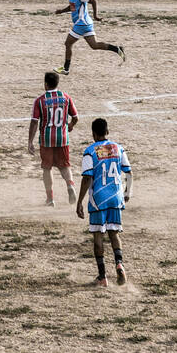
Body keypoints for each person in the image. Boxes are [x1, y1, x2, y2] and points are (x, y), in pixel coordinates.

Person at [76, 118, 132, 287]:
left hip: (98, 199)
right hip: (115, 196)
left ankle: (102, 277)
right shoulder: (118, 148)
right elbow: (129, 172)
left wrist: (79, 202)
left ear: (93, 134)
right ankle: (119, 263)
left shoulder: (90, 152)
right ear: (107, 132)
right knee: (114, 233)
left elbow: (87, 178)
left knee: (98, 235)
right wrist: (127, 192)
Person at [54, 0, 125, 75]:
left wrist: (95, 15)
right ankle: (117, 49)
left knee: (68, 44)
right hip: (87, 24)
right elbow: (72, 7)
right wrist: (61, 11)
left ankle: (66, 69)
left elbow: (93, 1)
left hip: (81, 24)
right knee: (94, 45)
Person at [29, 71, 79, 205]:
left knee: (47, 168)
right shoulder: (66, 97)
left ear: (45, 84)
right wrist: (70, 126)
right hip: (62, 138)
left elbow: (34, 121)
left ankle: (50, 199)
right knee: (65, 166)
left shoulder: (40, 101)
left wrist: (30, 142)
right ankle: (70, 185)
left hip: (46, 139)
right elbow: (75, 117)